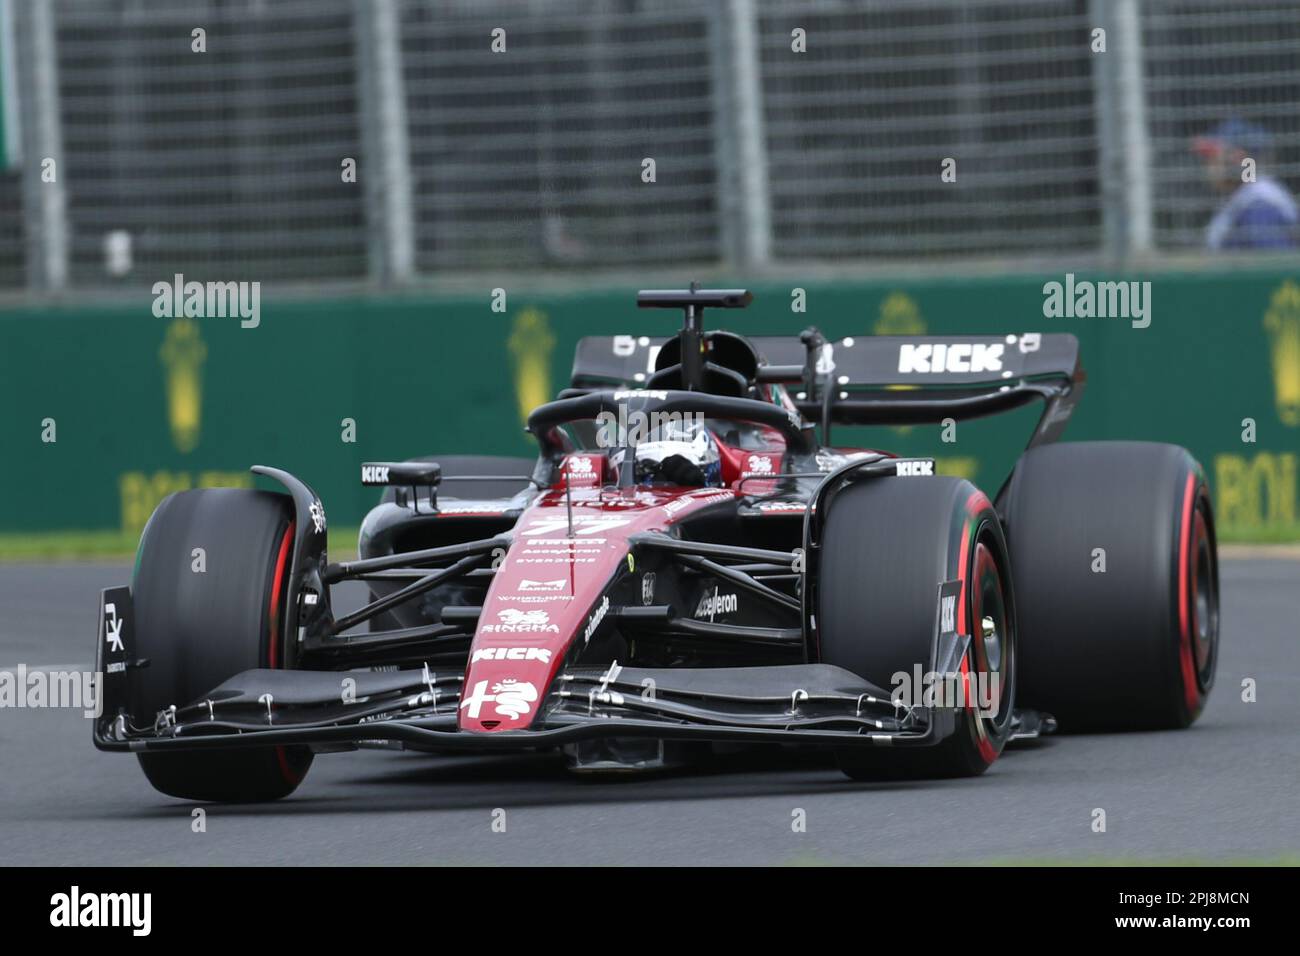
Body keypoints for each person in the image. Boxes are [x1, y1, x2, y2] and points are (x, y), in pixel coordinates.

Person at [1193, 119, 1297, 251]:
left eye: (1213, 158)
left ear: (1237, 158)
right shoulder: (1245, 196)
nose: (1208, 167)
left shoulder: (1260, 205)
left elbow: (1274, 260)